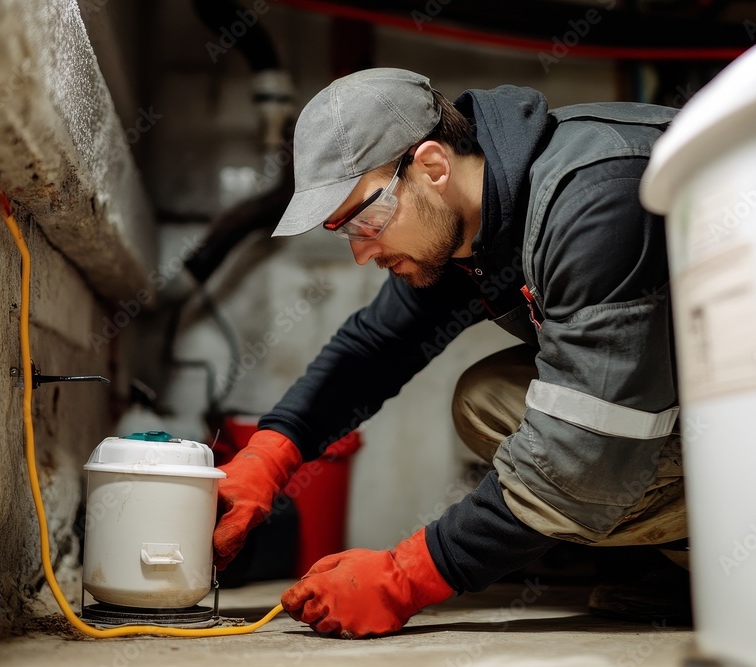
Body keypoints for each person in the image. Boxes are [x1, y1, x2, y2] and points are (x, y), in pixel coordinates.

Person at [213, 67, 688, 639]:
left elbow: (580, 455)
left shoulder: (594, 199)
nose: (363, 254)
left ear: (433, 165)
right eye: (345, 232)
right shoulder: (474, 219)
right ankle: (675, 562)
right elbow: (378, 344)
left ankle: (719, 560)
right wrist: (269, 456)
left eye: (365, 219)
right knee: (487, 400)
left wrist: (407, 576)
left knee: (569, 433)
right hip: (702, 399)